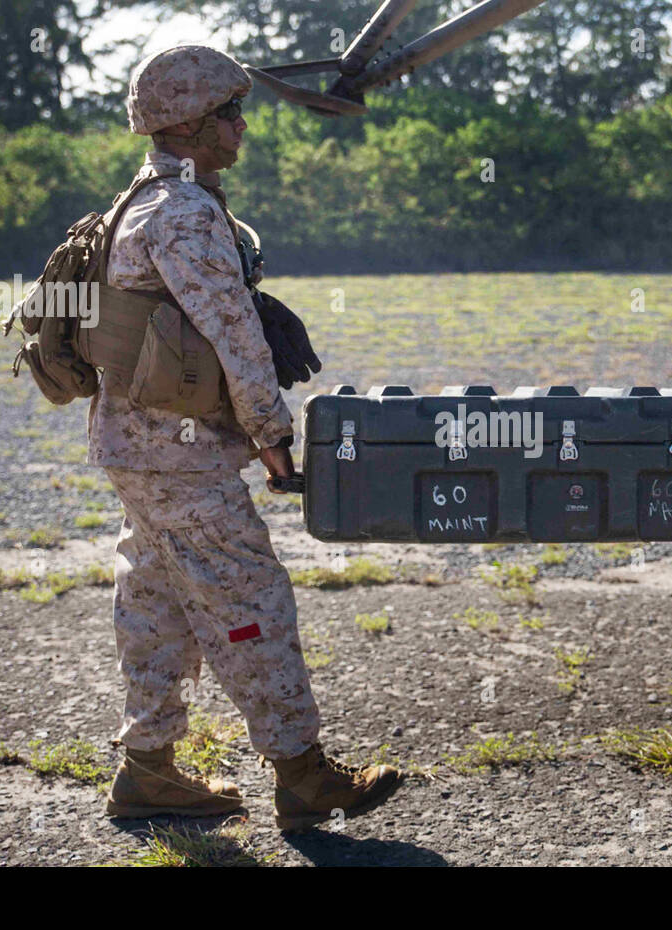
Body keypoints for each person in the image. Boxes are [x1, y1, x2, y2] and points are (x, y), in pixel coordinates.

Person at [95, 44, 402, 830]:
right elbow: (235, 339)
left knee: (155, 602)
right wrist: (271, 435)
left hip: (138, 448)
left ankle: (148, 770)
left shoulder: (141, 201)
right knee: (251, 602)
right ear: (193, 124)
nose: (242, 126)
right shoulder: (188, 214)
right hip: (182, 457)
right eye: (230, 113)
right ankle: (303, 777)